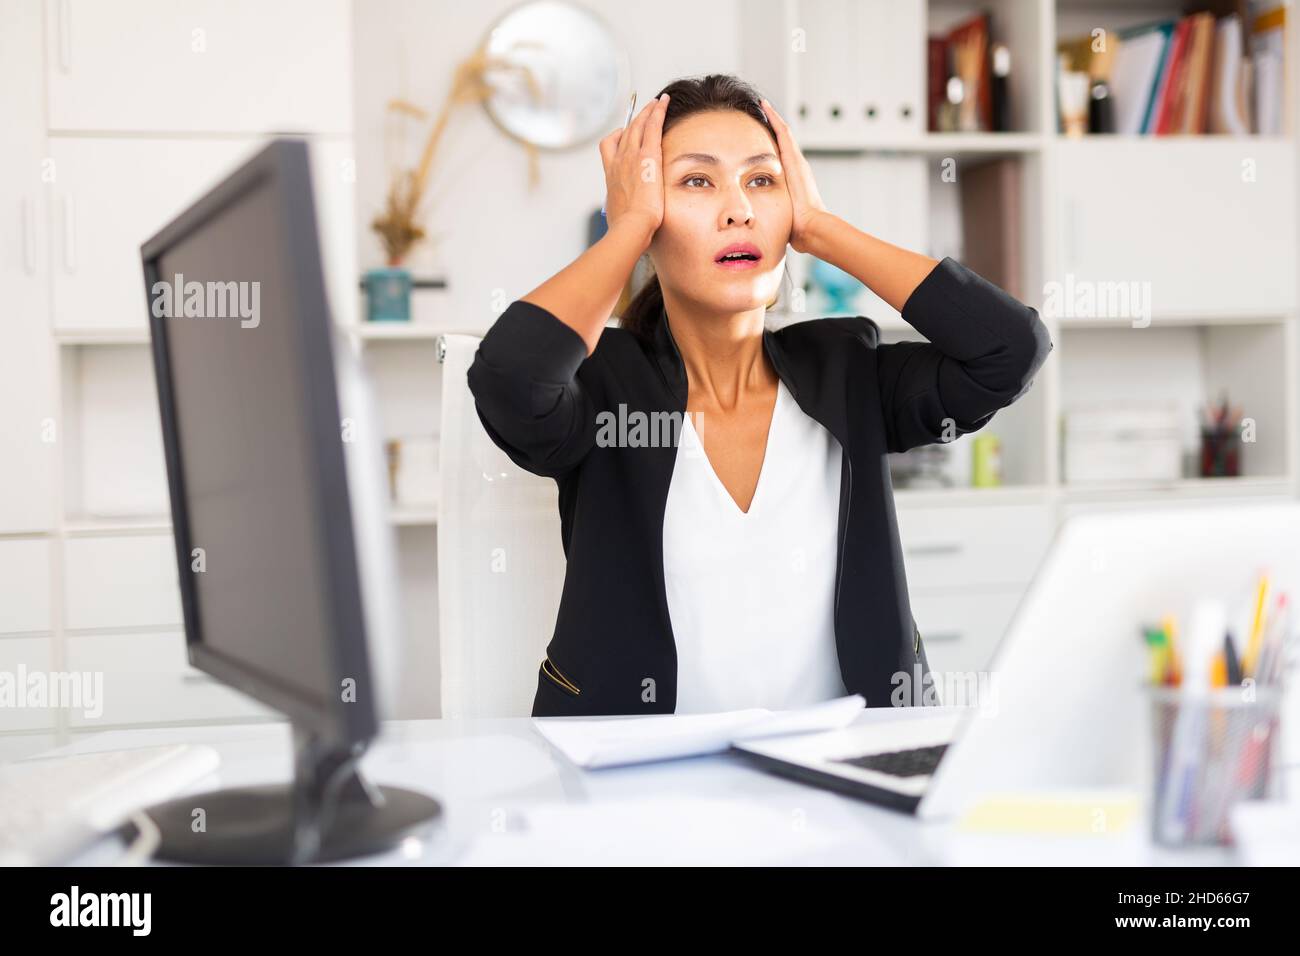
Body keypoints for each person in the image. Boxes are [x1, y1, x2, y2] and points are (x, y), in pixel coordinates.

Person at [468, 74, 1053, 717]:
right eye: (696, 181)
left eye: (762, 180)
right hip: (637, 776)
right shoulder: (602, 387)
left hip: (847, 765)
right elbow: (511, 379)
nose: (737, 209)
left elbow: (1009, 349)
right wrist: (627, 229)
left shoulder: (846, 369)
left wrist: (823, 230)